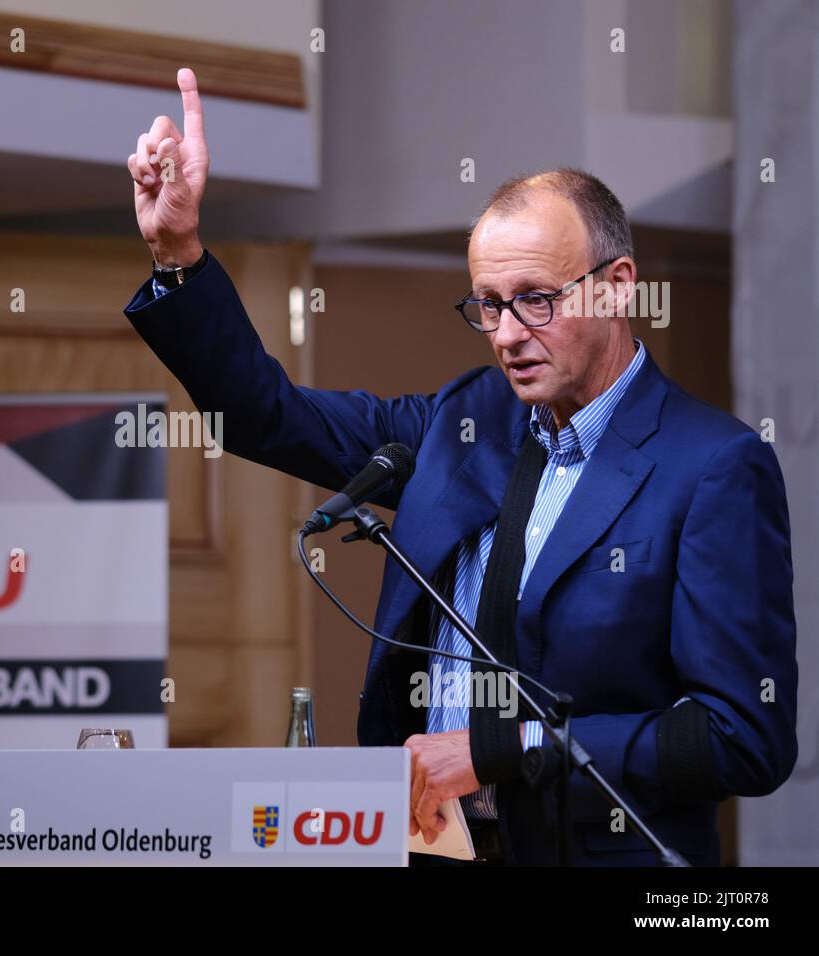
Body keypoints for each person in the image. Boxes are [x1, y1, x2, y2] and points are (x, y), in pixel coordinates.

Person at [122, 69, 798, 866]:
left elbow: (741, 737)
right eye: (487, 304)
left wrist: (504, 749)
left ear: (619, 290)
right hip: (427, 849)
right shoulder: (463, 420)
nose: (508, 334)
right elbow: (264, 416)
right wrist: (178, 257)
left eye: (536, 299)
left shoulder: (714, 467)